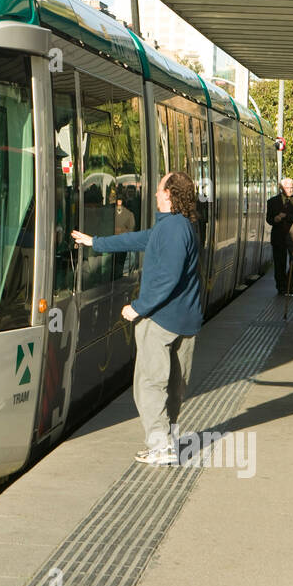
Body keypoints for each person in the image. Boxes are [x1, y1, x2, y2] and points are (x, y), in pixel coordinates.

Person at [71, 171, 202, 467]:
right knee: (173, 385)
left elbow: (167, 277)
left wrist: (139, 307)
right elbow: (138, 239)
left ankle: (160, 445)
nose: (154, 194)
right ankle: (165, 439)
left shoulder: (171, 229)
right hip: (186, 319)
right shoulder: (180, 226)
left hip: (161, 320)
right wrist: (96, 242)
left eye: (158, 189)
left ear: (169, 194)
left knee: (150, 384)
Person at [266, 177, 293, 294]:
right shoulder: (272, 202)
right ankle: (281, 287)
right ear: (281, 188)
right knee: (279, 263)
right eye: (287, 188)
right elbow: (269, 219)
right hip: (278, 237)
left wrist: (286, 216)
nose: (290, 190)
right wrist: (275, 219)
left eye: (292, 187)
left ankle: (290, 286)